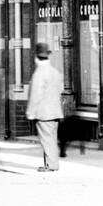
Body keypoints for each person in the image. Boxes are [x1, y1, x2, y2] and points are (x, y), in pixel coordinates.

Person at [26, 41, 63, 173]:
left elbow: (35, 95)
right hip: (55, 111)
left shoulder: (39, 74)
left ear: (36, 58)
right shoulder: (55, 72)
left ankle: (51, 165)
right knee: (51, 138)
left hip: (44, 112)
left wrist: (30, 112)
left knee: (47, 140)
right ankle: (50, 163)